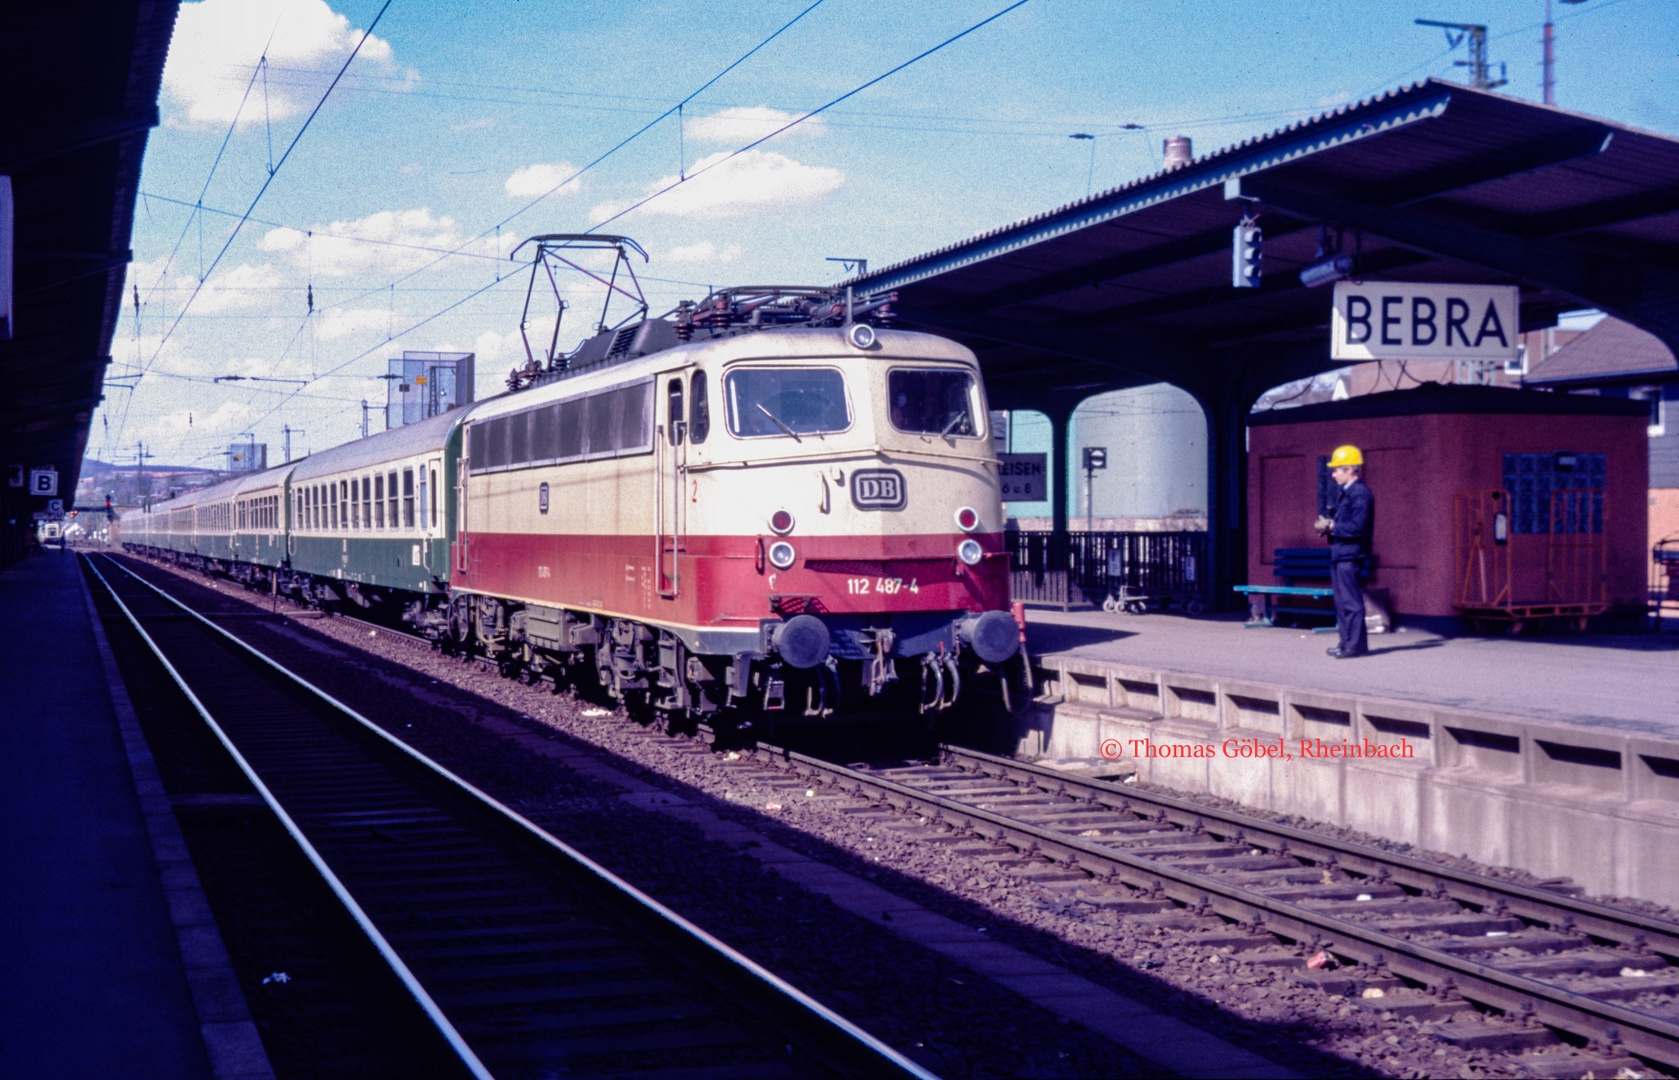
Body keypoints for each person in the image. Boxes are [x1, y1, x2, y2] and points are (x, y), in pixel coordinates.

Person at [1314, 445, 1373, 659]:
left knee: (1351, 602)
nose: (1333, 474)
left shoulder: (1361, 494)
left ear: (1350, 469)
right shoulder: (1348, 493)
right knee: (1341, 601)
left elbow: (1358, 527)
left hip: (1350, 555)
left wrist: (1331, 527)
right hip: (1341, 553)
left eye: (1337, 469)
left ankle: (1356, 646)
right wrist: (1331, 526)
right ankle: (1346, 642)